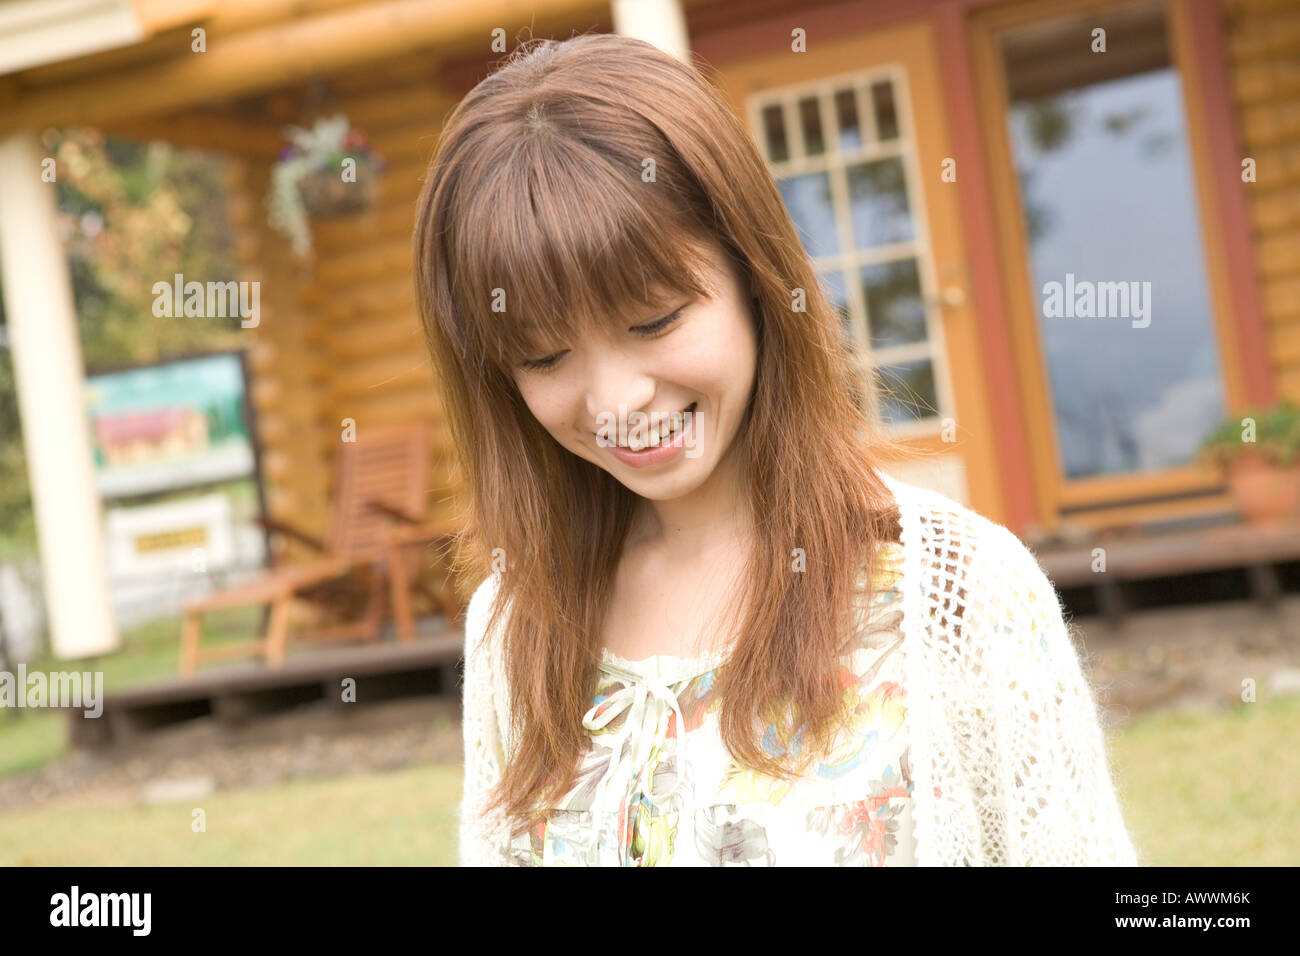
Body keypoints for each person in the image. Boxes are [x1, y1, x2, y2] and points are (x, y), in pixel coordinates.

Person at [412, 32, 1140, 867]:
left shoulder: (955, 592)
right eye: (543, 356)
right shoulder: (515, 626)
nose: (616, 403)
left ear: (757, 276)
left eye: (654, 321)